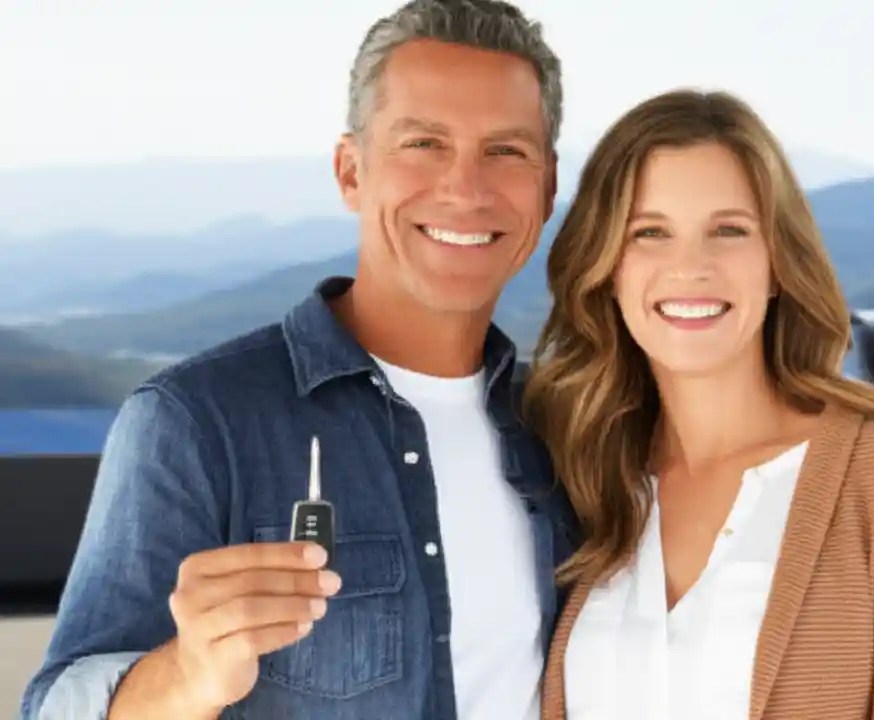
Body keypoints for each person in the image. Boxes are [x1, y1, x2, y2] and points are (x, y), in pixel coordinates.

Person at [20, 1, 577, 719]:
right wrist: (186, 675)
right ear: (351, 171)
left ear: (549, 185)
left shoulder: (563, 432)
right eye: (424, 143)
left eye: (506, 150)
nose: (465, 189)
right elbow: (56, 706)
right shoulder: (195, 423)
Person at [523, 90, 874, 719]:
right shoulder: (575, 474)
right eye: (650, 233)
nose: (690, 266)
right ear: (608, 268)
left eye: (729, 231)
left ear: (777, 263)